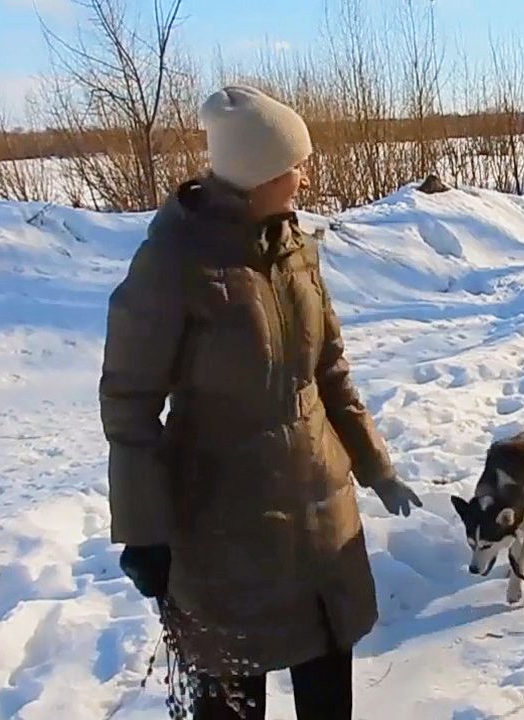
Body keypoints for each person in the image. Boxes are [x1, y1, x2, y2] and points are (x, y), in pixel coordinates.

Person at [100, 85, 422, 719]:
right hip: (225, 532)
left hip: (320, 517)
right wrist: (143, 532)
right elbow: (129, 406)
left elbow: (329, 371)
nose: (306, 176)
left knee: (328, 695)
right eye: (295, 165)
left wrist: (375, 466)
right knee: (231, 706)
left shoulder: (296, 247)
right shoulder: (174, 263)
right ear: (259, 173)